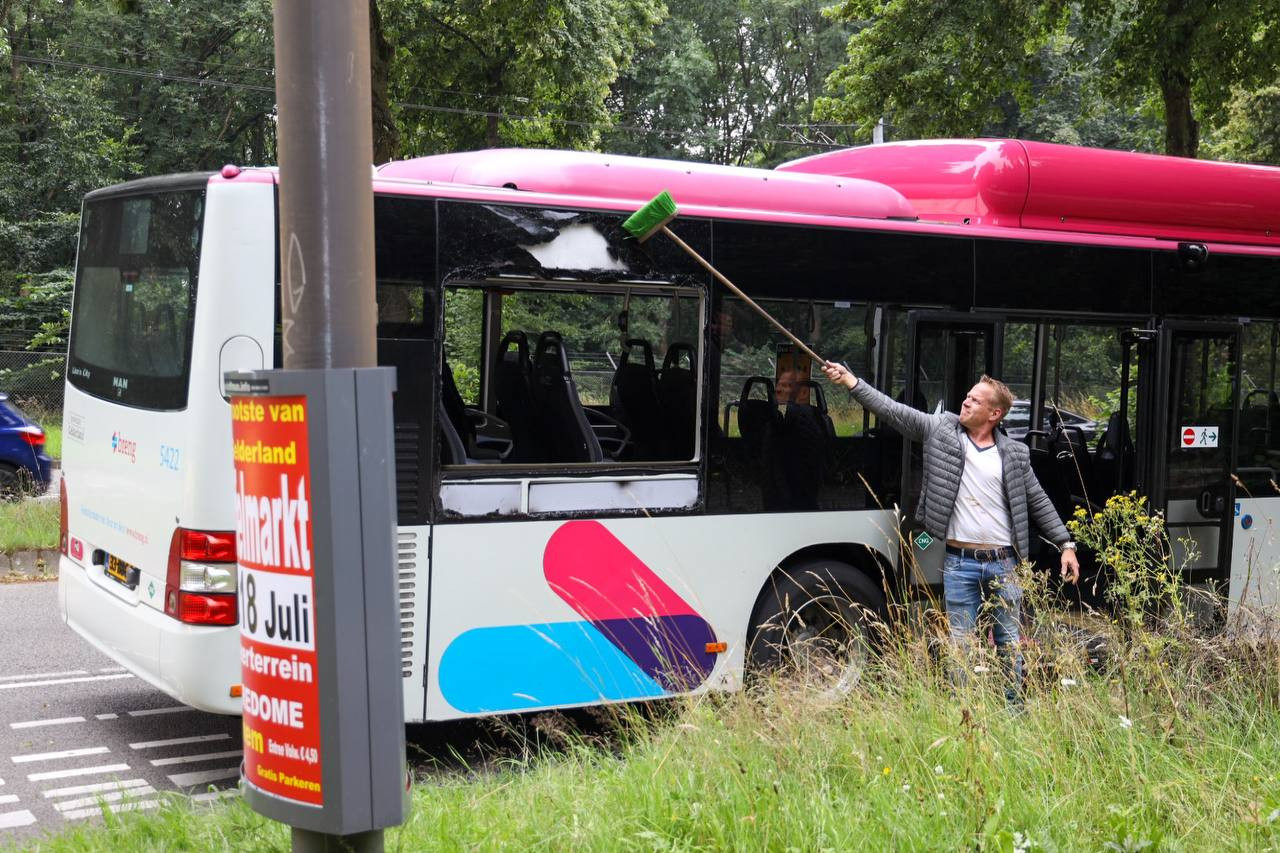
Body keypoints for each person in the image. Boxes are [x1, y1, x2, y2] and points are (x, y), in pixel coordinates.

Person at [821, 361, 1080, 699]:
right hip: (960, 562)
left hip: (1005, 564)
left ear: (994, 414)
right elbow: (893, 411)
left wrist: (1065, 544)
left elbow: (1039, 501)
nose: (966, 402)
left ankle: (1013, 713)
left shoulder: (1015, 455)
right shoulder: (940, 430)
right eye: (967, 397)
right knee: (961, 646)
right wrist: (852, 382)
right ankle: (963, 714)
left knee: (1008, 645)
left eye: (976, 400)